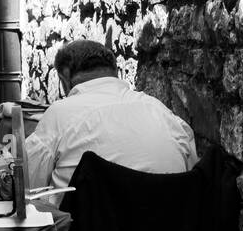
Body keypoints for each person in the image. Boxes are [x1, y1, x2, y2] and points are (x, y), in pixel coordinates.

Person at [23, 38, 197, 196]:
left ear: (65, 78)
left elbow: (26, 186)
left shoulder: (59, 114)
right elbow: (193, 174)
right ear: (114, 71)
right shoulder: (162, 112)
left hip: (88, 228)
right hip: (170, 226)